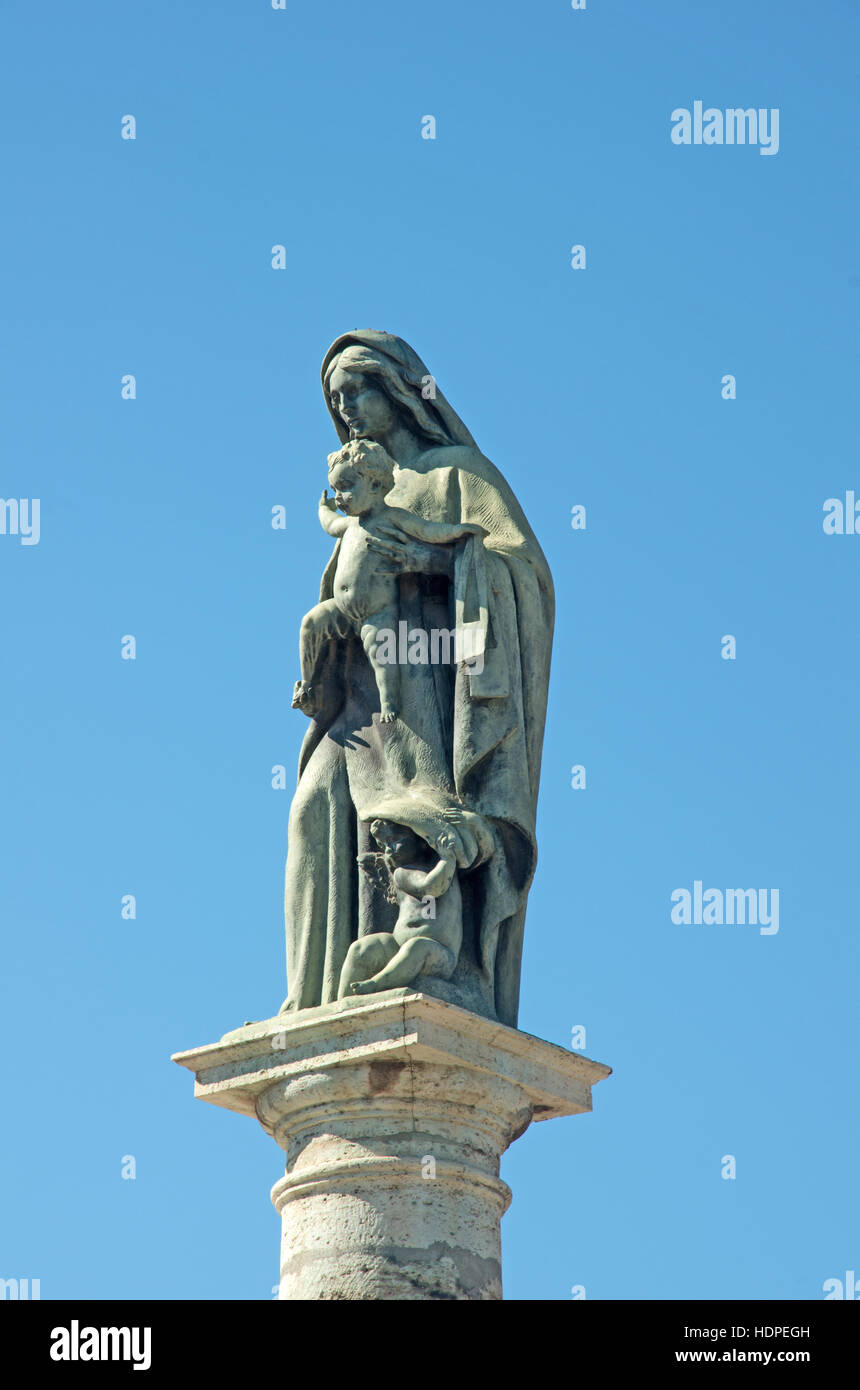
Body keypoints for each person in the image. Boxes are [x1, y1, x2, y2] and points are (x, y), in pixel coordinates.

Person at [281, 331, 554, 1029]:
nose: (346, 408)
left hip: (431, 694)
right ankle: (314, 999)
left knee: (418, 822)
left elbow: (525, 576)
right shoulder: (356, 493)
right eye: (336, 399)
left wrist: (440, 565)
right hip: (359, 703)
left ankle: (431, 960)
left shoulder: (455, 473)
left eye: (358, 390)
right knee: (312, 811)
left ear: (401, 392)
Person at [292, 437, 486, 723]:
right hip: (342, 609)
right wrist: (323, 507)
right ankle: (307, 686)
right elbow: (329, 523)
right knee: (309, 624)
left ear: (375, 485)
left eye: (346, 487)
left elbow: (427, 531)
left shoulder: (394, 519)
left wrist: (457, 531)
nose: (340, 497)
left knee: (382, 657)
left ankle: (389, 702)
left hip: (377, 612)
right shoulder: (350, 524)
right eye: (335, 489)